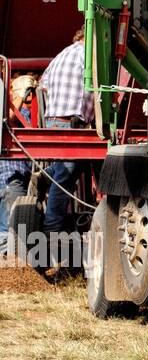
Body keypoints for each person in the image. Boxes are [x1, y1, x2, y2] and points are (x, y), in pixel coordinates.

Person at [39, 27, 95, 235]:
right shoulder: (88, 55)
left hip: (53, 120)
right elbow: (100, 87)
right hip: (70, 122)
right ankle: (52, 228)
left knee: (69, 167)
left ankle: (45, 176)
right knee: (66, 176)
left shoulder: (61, 54)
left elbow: (42, 84)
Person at [0, 75, 36, 257]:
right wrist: (20, 96)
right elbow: (7, 116)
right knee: (9, 231)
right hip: (9, 179)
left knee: (7, 230)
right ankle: (8, 273)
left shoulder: (25, 113)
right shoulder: (7, 111)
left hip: (13, 180)